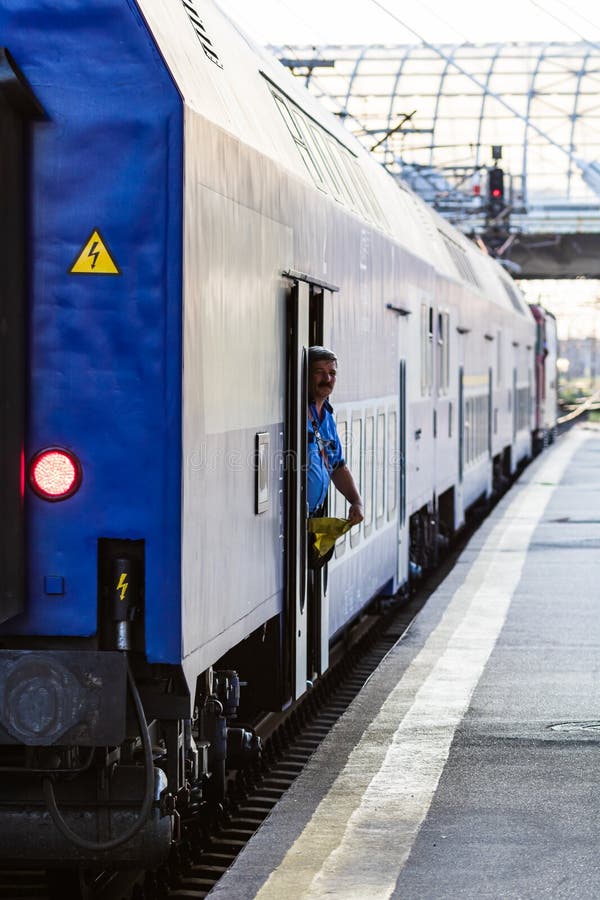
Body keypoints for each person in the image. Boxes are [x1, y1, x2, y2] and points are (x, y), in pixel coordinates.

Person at [307, 346, 364, 525]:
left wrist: (356, 502)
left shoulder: (327, 417)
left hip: (313, 517)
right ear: (306, 375)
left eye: (332, 373)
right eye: (319, 372)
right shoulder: (297, 412)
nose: (327, 378)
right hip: (293, 518)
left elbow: (338, 466)